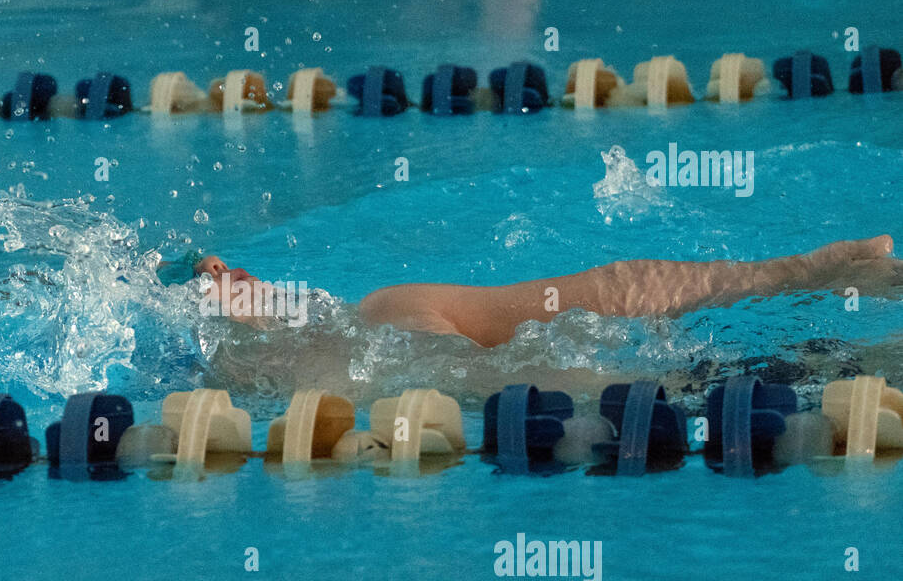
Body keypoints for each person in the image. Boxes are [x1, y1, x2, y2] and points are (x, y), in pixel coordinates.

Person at [186, 236, 901, 348]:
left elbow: (494, 373)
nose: (231, 277)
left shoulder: (381, 311)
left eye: (222, 271)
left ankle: (817, 270)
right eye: (211, 282)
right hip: (619, 314)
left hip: (623, 307)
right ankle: (817, 270)